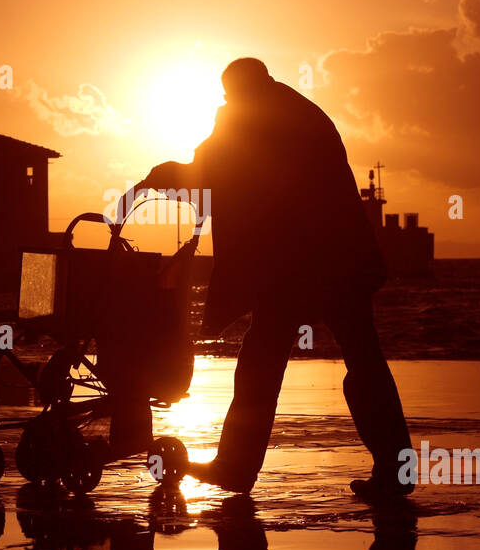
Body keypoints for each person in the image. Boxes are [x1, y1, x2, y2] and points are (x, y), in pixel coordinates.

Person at [133, 57, 412, 500]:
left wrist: (164, 177)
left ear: (237, 90)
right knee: (363, 361)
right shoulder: (299, 111)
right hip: (338, 260)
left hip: (295, 266)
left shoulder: (253, 121)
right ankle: (395, 469)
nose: (226, 103)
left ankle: (237, 467)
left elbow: (210, 176)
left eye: (228, 96)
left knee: (262, 364)